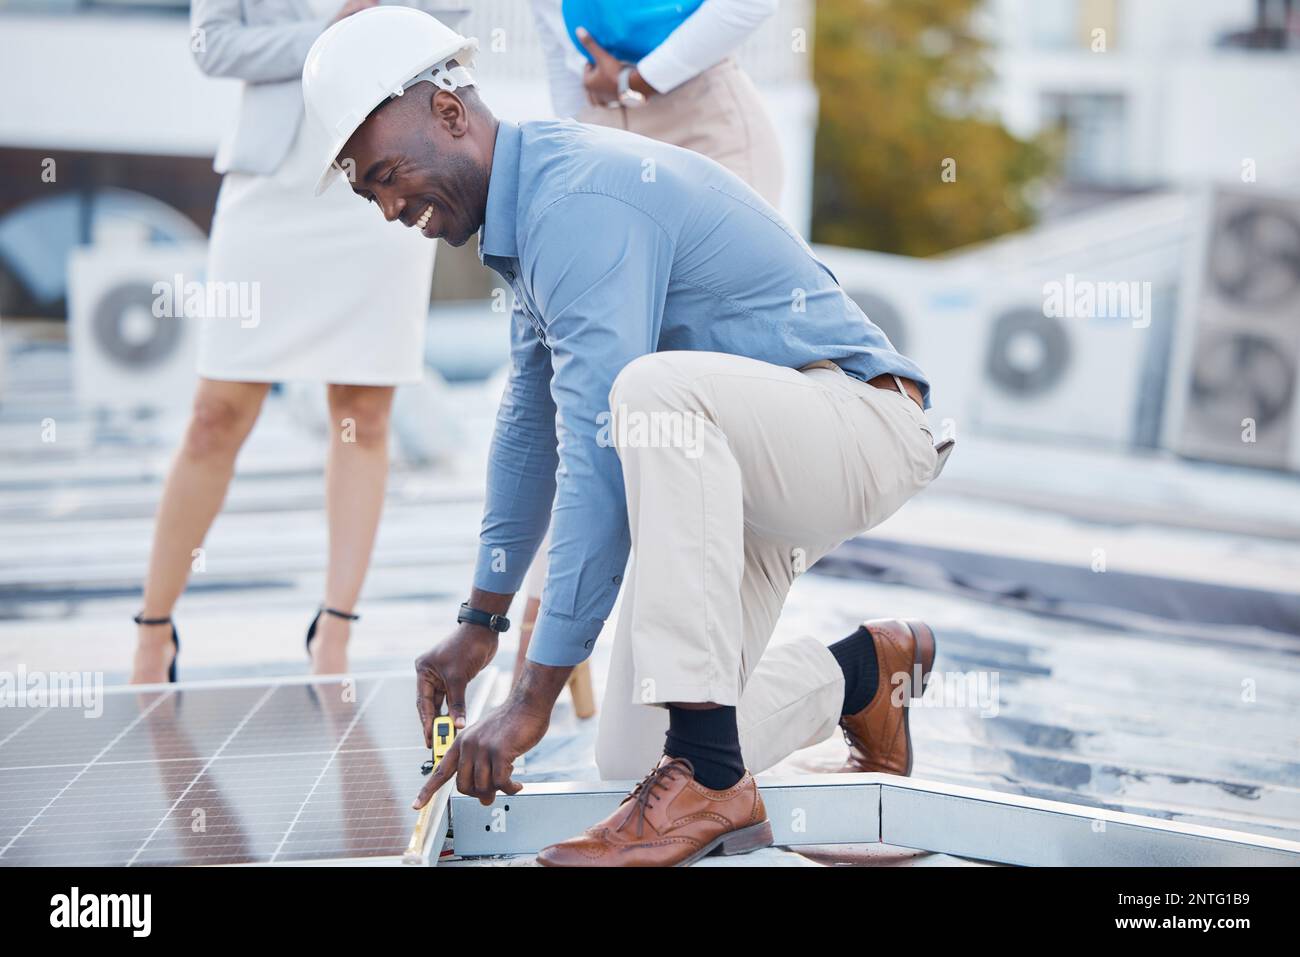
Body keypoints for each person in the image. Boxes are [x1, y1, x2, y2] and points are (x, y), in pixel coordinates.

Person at [303, 7, 946, 867]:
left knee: (648, 394)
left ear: (450, 113)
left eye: (387, 173)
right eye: (367, 193)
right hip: (753, 465)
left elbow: (602, 447)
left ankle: (714, 780)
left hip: (860, 422)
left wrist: (532, 693)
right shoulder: (527, 225)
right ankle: (867, 673)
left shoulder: (578, 200)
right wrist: (480, 620)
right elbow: (531, 434)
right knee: (633, 760)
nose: (388, 207)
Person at [130, 0, 447, 683]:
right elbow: (213, 44)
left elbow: (449, 20)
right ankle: (152, 630)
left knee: (363, 412)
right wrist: (335, 37)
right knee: (216, 413)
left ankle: (334, 633)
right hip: (271, 182)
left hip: (385, 171)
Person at [515, 0, 786, 705]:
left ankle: (711, 669)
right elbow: (554, 40)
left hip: (706, 124)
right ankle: (548, 628)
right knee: (585, 388)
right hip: (605, 135)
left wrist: (642, 76)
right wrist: (576, 140)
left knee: (710, 399)